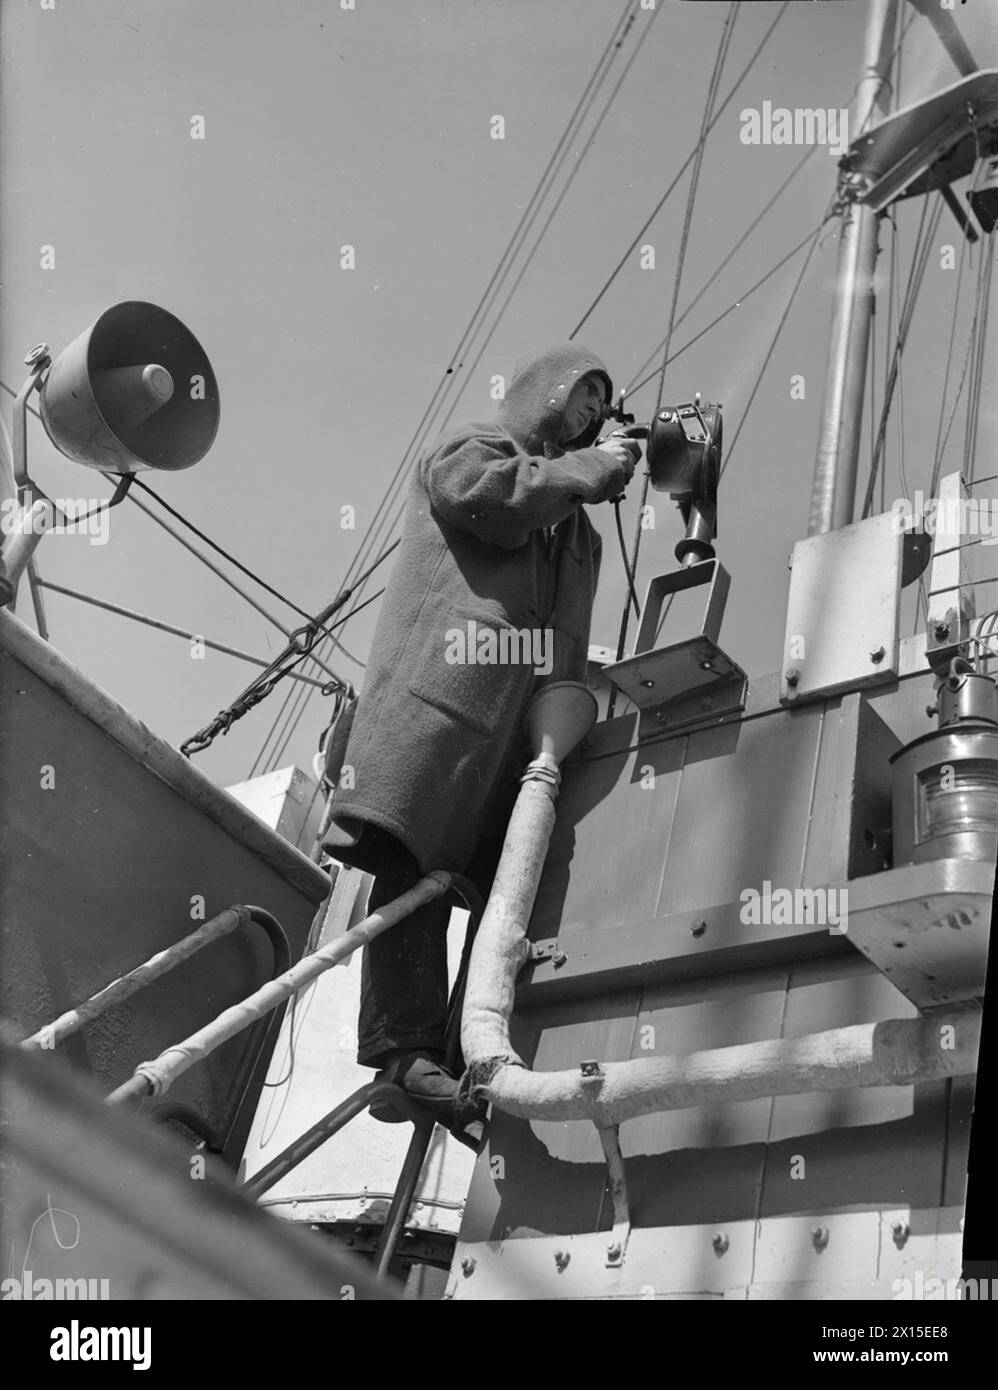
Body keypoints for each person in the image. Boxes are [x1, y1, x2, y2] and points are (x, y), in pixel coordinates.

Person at [321, 340, 640, 1131]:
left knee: (508, 900)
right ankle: (403, 1054)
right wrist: (598, 468)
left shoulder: (578, 533)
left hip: (514, 736)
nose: (594, 416)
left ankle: (470, 1062)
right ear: (545, 394)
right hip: (443, 707)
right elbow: (498, 505)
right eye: (583, 399)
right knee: (413, 859)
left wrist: (560, 721)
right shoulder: (475, 451)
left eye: (603, 408)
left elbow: (567, 634)